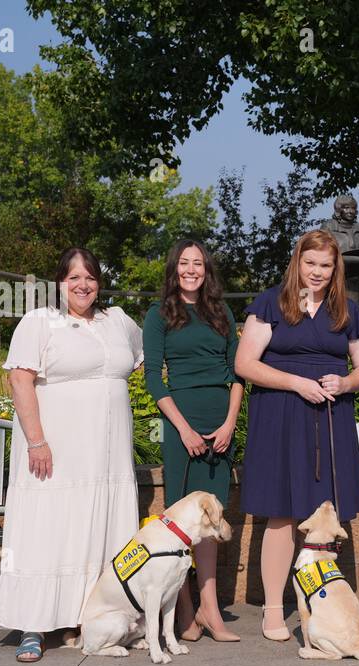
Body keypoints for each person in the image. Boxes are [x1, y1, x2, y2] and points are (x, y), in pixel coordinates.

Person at [0, 247, 144, 661]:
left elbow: (136, 364)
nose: (83, 285)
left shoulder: (119, 322)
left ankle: (93, 617)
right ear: (59, 282)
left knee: (101, 526)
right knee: (48, 527)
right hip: (56, 449)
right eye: (73, 278)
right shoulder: (40, 322)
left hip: (108, 457)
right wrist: (37, 440)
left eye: (91, 277)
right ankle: (33, 625)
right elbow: (20, 382)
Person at [235, 230, 359, 641]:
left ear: (336, 269)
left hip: (330, 416)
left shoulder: (346, 310)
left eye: (325, 265)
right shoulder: (271, 303)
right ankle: (274, 609)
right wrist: (297, 383)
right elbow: (246, 363)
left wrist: (347, 383)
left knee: (325, 516)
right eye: (310, 263)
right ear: (298, 262)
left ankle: (321, 605)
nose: (316, 272)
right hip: (279, 414)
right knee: (280, 513)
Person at [142, 238, 242, 642]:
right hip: (181, 422)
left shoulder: (221, 312)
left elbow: (237, 372)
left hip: (220, 421)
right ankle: (183, 611)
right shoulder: (158, 314)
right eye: (184, 263)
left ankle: (210, 609)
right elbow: (152, 376)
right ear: (174, 268)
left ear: (207, 270)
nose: (191, 270)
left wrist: (230, 424)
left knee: (211, 521)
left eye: (198, 263)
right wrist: (182, 429)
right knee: (182, 523)